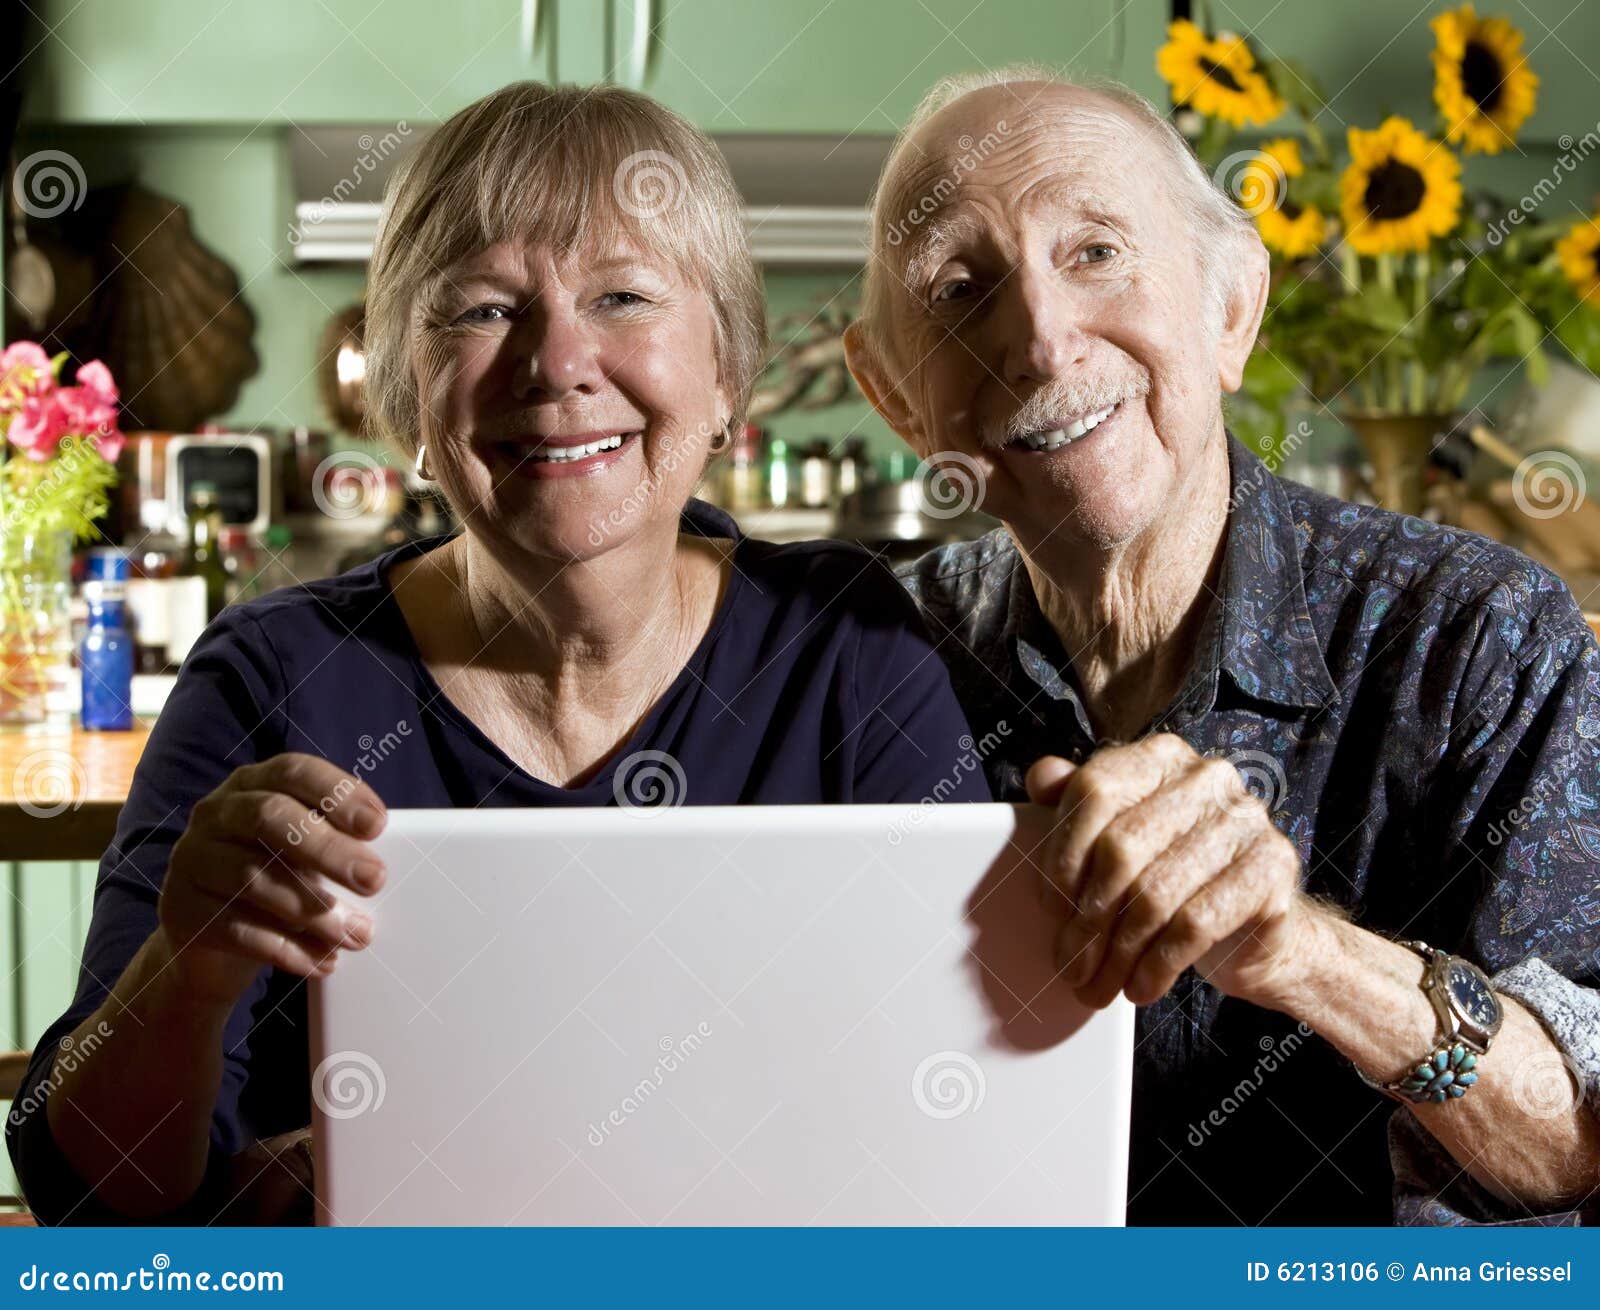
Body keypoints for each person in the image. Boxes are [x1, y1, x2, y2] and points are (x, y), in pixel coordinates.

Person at [6, 82, 985, 1225]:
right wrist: (188, 969)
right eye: (478, 311)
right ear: (413, 398)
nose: (556, 363)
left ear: (726, 374)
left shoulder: (845, 650)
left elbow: (953, 1109)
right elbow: (91, 1196)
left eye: (623, 295)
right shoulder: (275, 676)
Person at [843, 67, 1600, 1226]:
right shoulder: (859, 664)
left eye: (1094, 251)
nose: (1041, 340)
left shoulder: (1476, 635)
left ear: (1230, 307)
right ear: (895, 395)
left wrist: (1300, 953)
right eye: (958, 286)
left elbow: (1579, 1145)